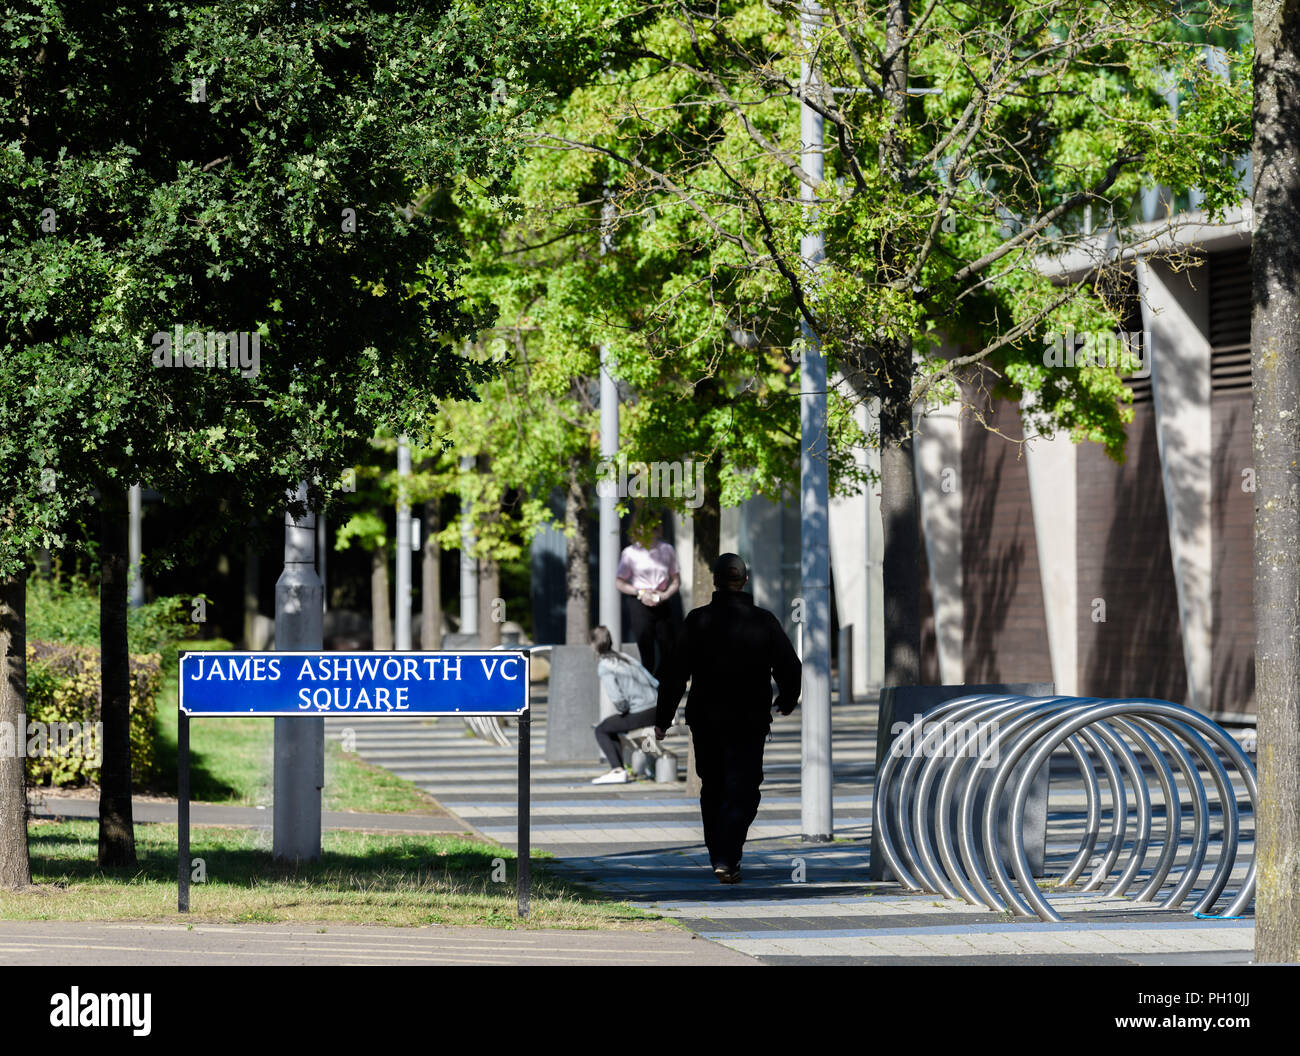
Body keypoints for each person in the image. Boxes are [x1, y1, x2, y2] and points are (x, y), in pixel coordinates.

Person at [654, 553, 801, 884]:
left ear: (715, 581)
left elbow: (675, 673)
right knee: (746, 789)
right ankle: (728, 854)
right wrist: (787, 700)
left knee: (713, 786)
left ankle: (720, 855)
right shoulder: (764, 621)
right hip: (749, 719)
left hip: (706, 719)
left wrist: (663, 719)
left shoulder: (697, 620)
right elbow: (791, 666)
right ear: (745, 581)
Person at [589, 625, 660, 785]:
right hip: (658, 707)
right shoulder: (625, 657)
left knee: (601, 730)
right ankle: (620, 769)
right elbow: (653, 681)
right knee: (610, 726)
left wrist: (625, 709)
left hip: (642, 711)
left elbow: (618, 699)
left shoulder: (605, 665)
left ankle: (618, 770)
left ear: (593, 644)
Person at [614, 513, 680, 677]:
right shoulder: (630, 552)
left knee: (668, 649)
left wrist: (665, 595)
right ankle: (648, 689)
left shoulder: (666, 550)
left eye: (653, 528)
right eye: (644, 529)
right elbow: (619, 582)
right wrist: (640, 593)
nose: (649, 532)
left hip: (662, 600)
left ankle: (657, 684)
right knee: (646, 650)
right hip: (640, 601)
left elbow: (676, 580)